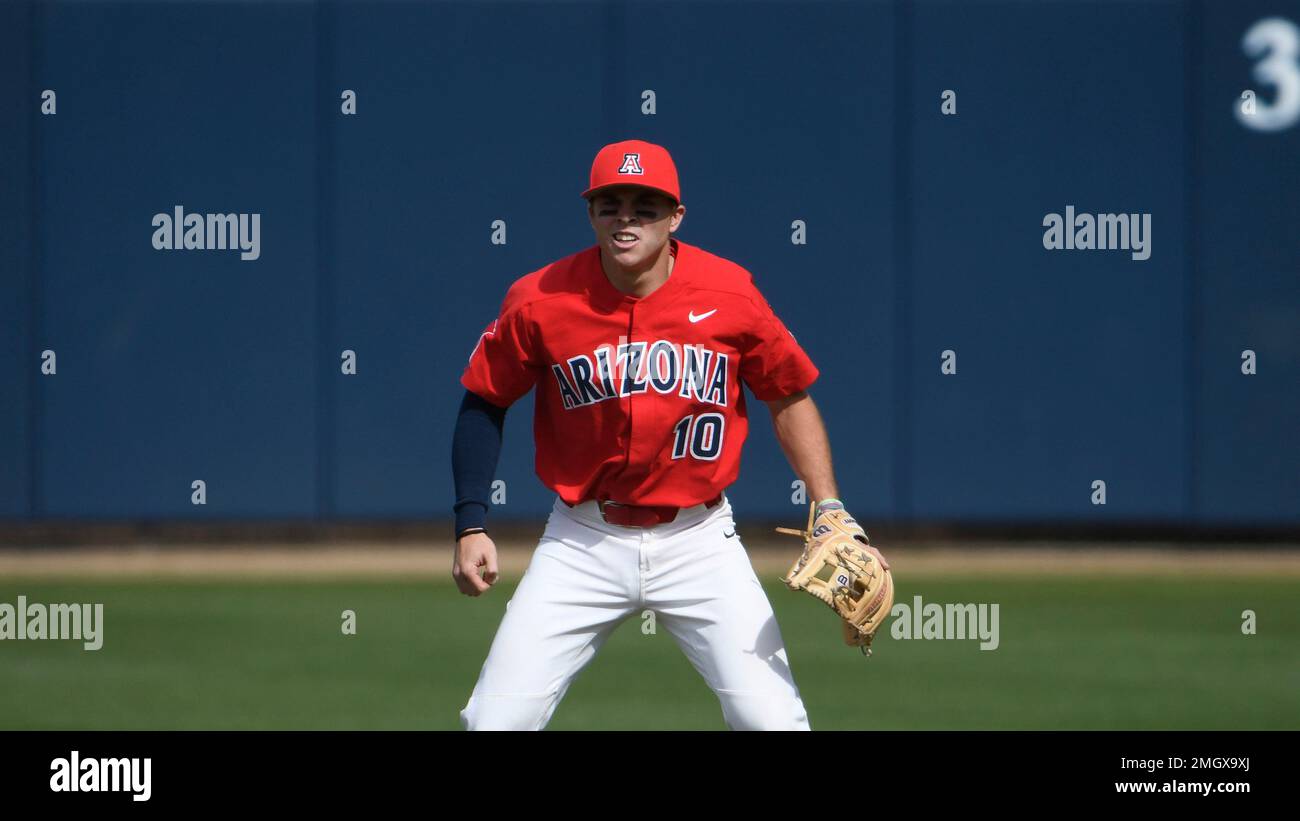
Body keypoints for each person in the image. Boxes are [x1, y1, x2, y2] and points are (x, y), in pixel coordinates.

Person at [451, 139, 849, 730]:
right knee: (493, 721)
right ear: (591, 213)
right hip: (581, 542)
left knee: (773, 722)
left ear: (676, 217)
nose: (626, 218)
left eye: (646, 205)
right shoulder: (540, 299)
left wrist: (829, 503)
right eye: (610, 204)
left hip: (700, 541)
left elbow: (788, 394)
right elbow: (484, 399)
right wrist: (471, 523)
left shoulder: (730, 293)